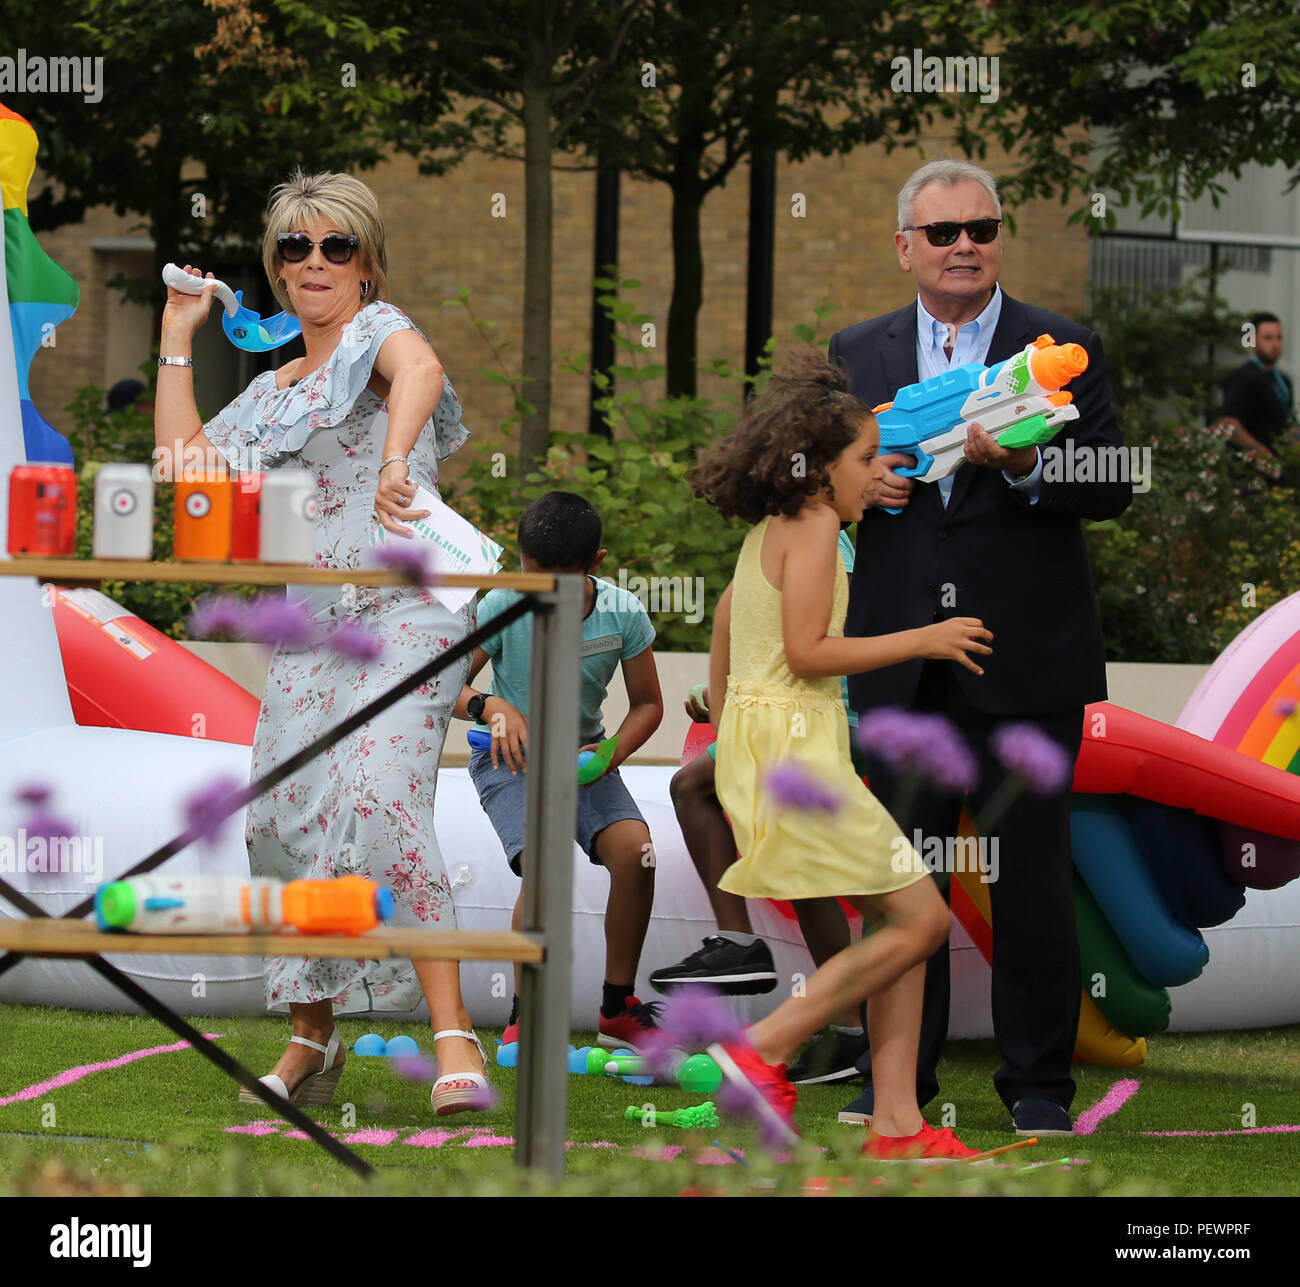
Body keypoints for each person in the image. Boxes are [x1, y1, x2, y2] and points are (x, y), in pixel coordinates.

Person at [153, 169, 490, 1115]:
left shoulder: (385, 337)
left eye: (335, 245)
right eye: (295, 248)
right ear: (273, 267)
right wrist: (178, 337)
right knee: (278, 819)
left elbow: (419, 375)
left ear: (366, 263)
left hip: (410, 607)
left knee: (383, 799)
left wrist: (393, 459)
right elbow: (188, 478)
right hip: (311, 630)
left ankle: (454, 1032)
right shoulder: (268, 393)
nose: (314, 262)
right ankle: (314, 1035)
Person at [828, 158, 1132, 1135]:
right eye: (945, 231)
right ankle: (898, 1091)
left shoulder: (1064, 346)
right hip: (896, 656)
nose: (966, 245)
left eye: (982, 229)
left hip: (1026, 656)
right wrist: (850, 489)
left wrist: (1036, 467)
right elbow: (797, 467)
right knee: (898, 876)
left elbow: (1114, 479)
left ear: (999, 239)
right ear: (905, 246)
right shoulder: (855, 349)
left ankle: (1037, 1089)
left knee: (1030, 879)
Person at [691, 350, 994, 1157]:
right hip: (798, 751)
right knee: (923, 916)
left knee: (902, 915)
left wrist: (730, 744)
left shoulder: (774, 526)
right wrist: (926, 638)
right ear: (820, 469)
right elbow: (808, 649)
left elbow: (726, 627)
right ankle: (764, 1048)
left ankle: (897, 1122)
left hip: (770, 749)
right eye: (864, 458)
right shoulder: (820, 524)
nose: (878, 471)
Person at [650, 533, 873, 1086]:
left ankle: (741, 946)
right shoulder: (780, 538)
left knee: (692, 788)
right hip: (793, 715)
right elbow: (759, 636)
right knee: (806, 873)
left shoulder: (821, 543)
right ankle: (848, 1034)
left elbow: (813, 650)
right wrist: (723, 690)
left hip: (817, 720)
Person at [453, 491, 666, 1050]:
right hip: (511, 759)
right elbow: (443, 683)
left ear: (594, 565)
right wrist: (488, 707)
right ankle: (527, 1015)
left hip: (585, 761)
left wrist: (609, 754)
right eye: (529, 573)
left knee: (637, 853)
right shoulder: (502, 605)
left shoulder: (623, 612)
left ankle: (617, 1006)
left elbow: (648, 705)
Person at [1217, 311, 1294, 463]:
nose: (1275, 344)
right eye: (1267, 338)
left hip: (1279, 469)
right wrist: (1261, 452)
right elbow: (1228, 423)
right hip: (1248, 470)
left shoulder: (1283, 380)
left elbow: (1288, 423)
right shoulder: (1244, 377)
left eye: (1279, 338)